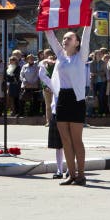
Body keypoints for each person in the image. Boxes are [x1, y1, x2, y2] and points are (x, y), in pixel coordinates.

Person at [44, 12, 93, 186]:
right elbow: (50, 36)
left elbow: (87, 34)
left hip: (76, 99)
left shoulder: (81, 56)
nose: (64, 40)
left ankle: (81, 175)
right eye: (64, 38)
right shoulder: (61, 57)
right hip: (62, 98)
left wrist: (89, 15)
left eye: (69, 38)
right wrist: (43, 17)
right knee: (65, 140)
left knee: (76, 140)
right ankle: (71, 175)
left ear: (77, 42)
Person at [37, 64, 64, 179]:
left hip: (68, 116)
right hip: (56, 115)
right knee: (58, 146)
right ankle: (60, 170)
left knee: (69, 145)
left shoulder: (70, 83)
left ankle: (70, 169)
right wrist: (42, 64)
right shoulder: (55, 83)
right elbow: (42, 76)